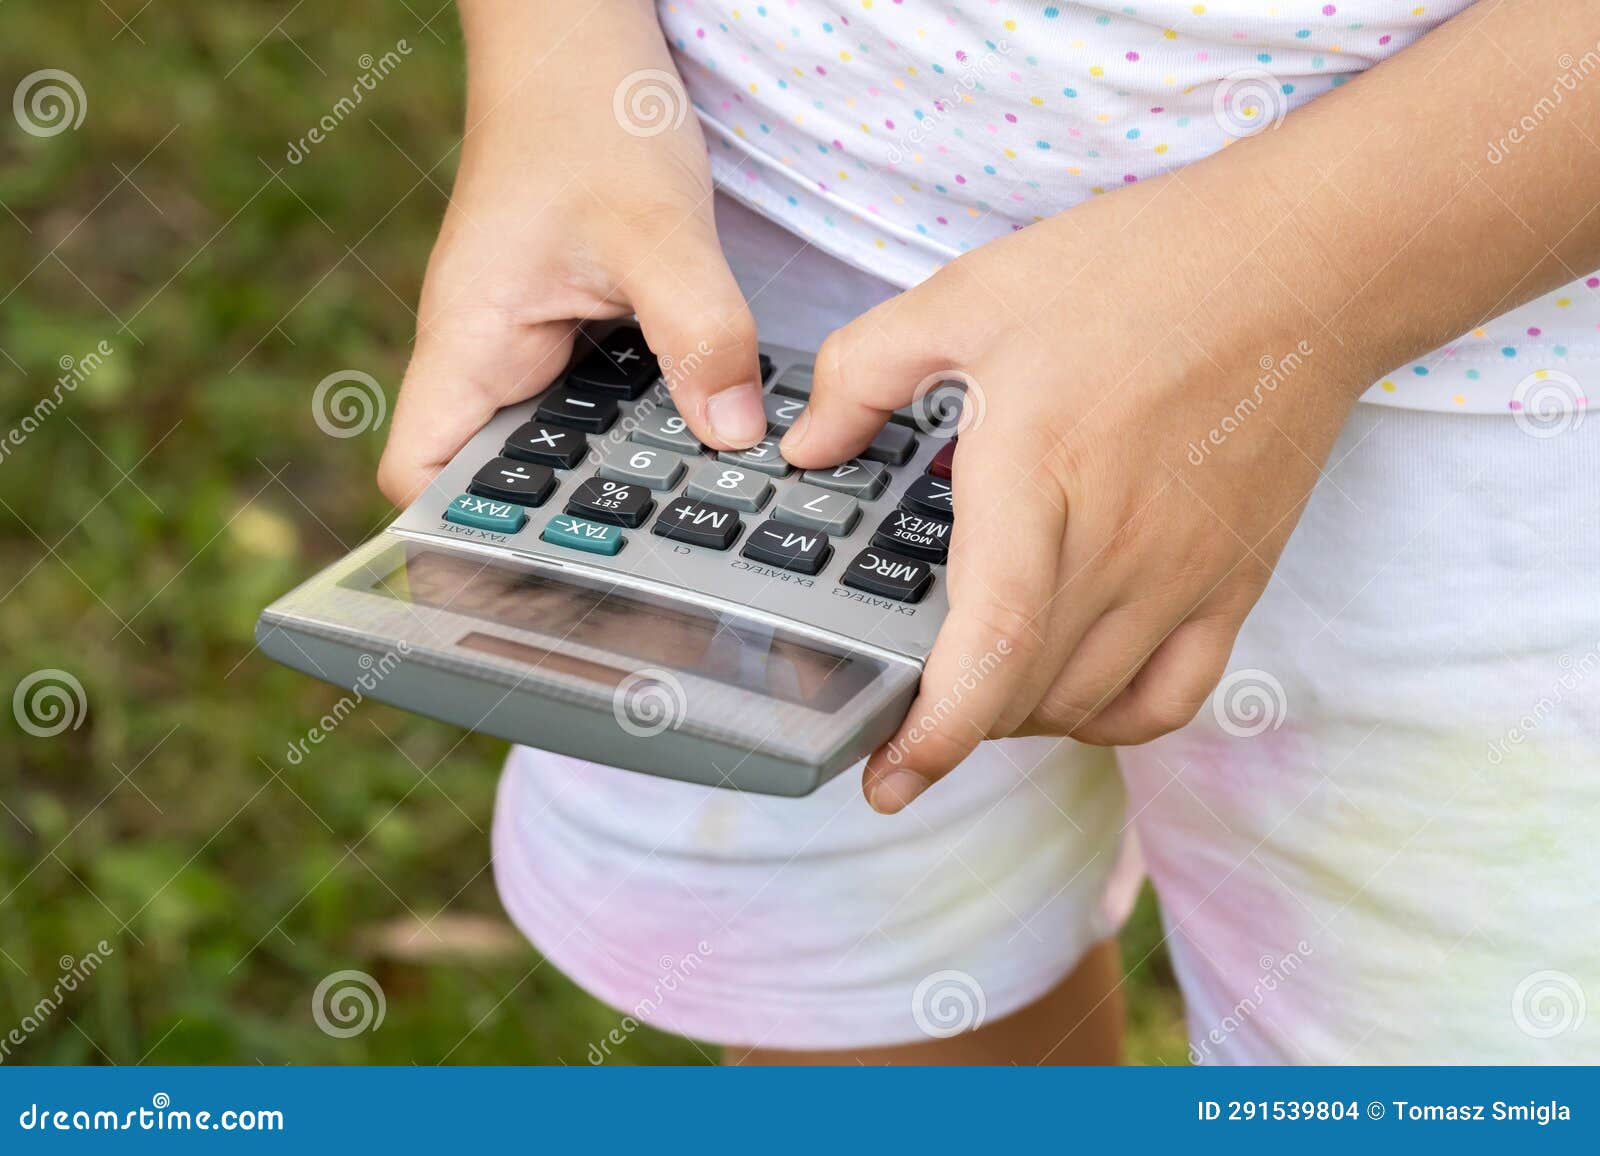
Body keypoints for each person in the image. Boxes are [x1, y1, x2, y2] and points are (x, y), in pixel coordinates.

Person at [378, 0, 1600, 1063]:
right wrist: (557, 65)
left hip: (1499, 360)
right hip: (750, 222)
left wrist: (1299, 281)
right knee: (867, 1011)